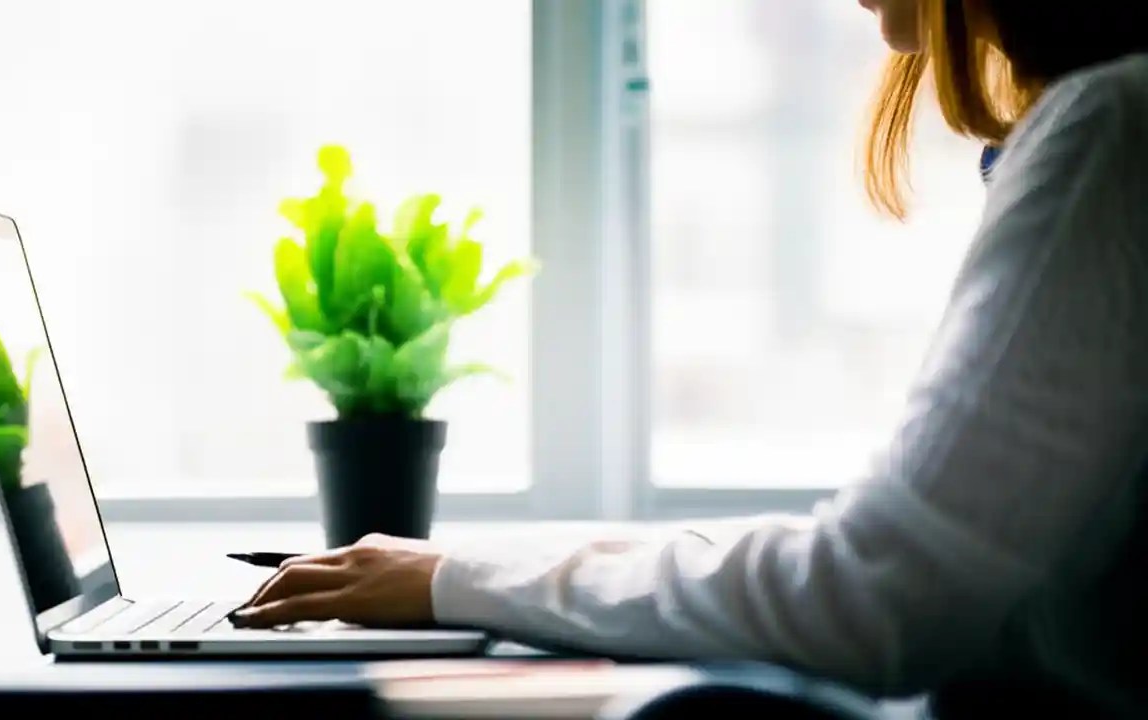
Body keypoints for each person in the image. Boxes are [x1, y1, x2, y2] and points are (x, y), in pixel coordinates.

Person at [230, 1, 1148, 716]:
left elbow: (875, 594)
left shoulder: (1110, 130)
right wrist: (468, 569)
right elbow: (884, 555)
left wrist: (453, 583)